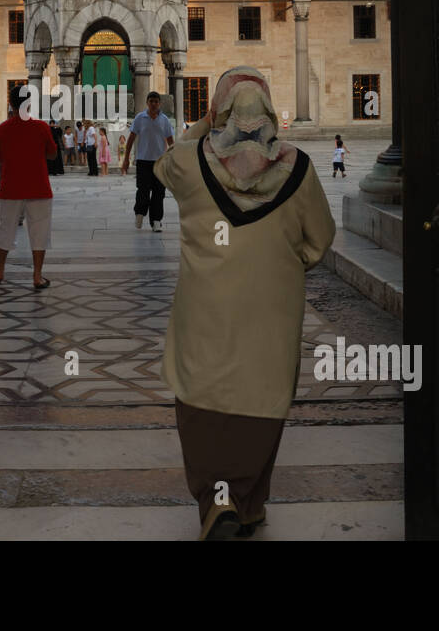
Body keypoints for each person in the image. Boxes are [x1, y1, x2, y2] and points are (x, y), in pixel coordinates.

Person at [153, 67, 335, 540]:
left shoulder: (191, 163)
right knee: (262, 400)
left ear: (220, 111)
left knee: (201, 400)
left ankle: (219, 505)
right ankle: (249, 503)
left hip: (204, 317)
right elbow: (319, 242)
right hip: (271, 317)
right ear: (271, 111)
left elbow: (161, 163)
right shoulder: (298, 167)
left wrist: (204, 123)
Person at [0, 84, 59, 290]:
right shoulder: (42, 127)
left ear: (10, 103)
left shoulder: (2, 129)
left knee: (6, 229)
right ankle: (37, 276)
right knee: (39, 232)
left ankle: (0, 270)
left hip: (11, 188)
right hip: (39, 188)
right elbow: (53, 154)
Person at [121, 91, 175, 232]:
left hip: (160, 162)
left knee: (159, 193)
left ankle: (156, 221)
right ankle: (139, 213)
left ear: (159, 103)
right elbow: (131, 138)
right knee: (143, 191)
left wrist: (174, 158)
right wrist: (126, 158)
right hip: (143, 160)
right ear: (147, 103)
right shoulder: (140, 118)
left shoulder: (164, 120)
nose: (153, 104)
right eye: (151, 101)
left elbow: (170, 141)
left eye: (156, 101)